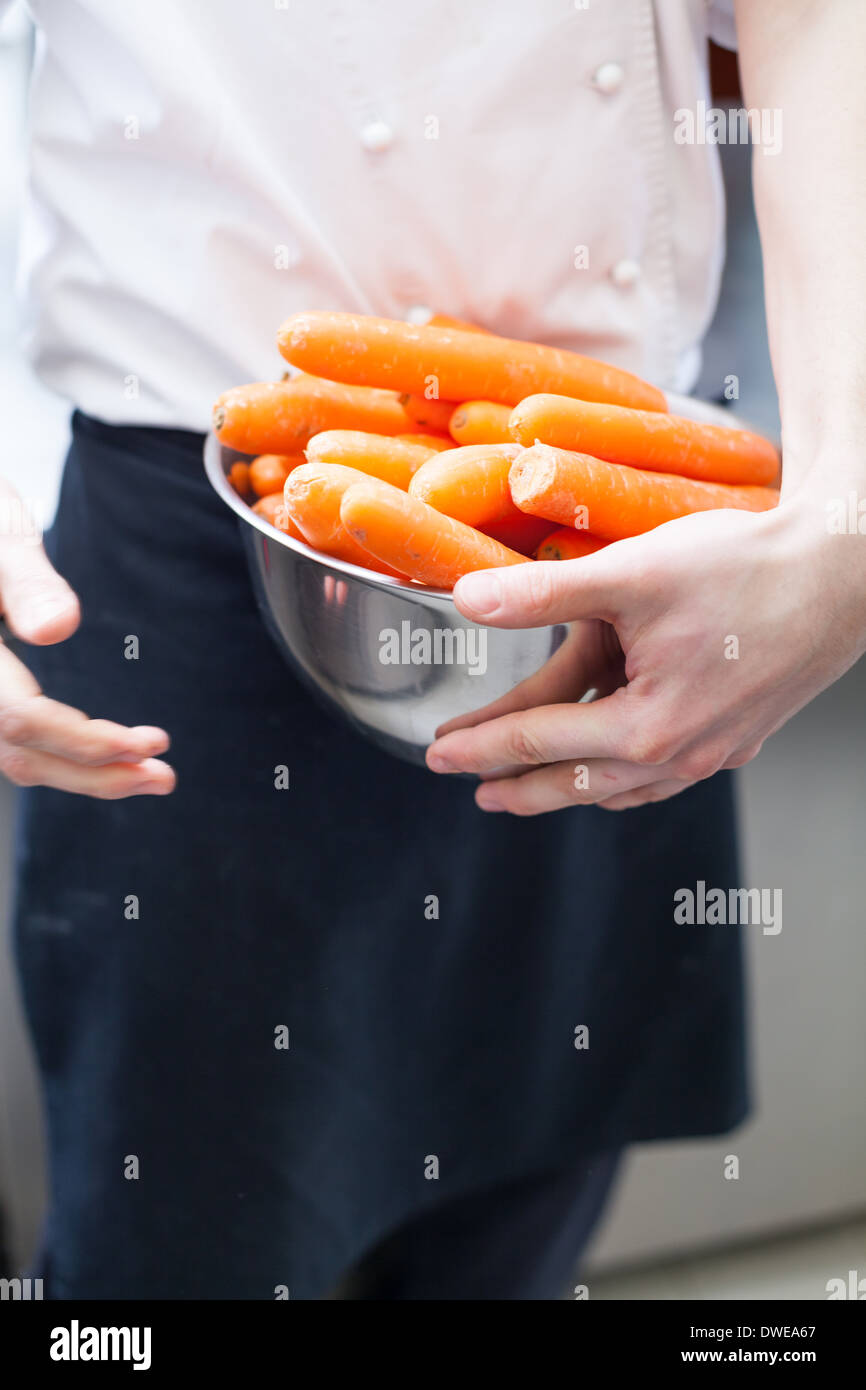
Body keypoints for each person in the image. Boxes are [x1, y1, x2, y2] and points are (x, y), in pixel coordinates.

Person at [0, 0, 853, 1300]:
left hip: (620, 527)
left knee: (522, 1205)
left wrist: (847, 513)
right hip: (209, 531)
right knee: (169, 1262)